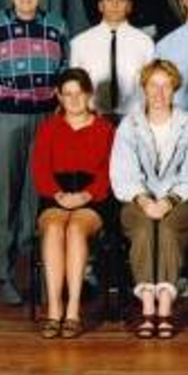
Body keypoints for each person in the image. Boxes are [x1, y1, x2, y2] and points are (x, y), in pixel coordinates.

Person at [0, 0, 69, 306]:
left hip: (46, 119)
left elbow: (66, 73)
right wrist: (1, 107)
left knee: (42, 198)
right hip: (6, 120)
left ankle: (43, 273)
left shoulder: (57, 25)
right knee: (7, 199)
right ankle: (6, 275)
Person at [110, 60, 188, 339]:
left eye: (166, 86)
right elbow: (122, 176)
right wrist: (145, 201)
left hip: (181, 201)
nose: (159, 93)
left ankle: (164, 304)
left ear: (175, 89)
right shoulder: (130, 125)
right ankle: (147, 303)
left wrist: (168, 201)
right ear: (144, 88)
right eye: (153, 85)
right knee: (143, 227)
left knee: (166, 227)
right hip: (137, 200)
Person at [30, 68, 116, 339]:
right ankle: (54, 308)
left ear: (89, 94)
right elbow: (40, 170)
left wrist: (85, 195)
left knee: (76, 228)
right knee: (55, 227)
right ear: (59, 96)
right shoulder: (48, 128)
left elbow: (110, 172)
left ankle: (73, 310)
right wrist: (58, 195)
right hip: (56, 194)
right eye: (67, 94)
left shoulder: (106, 129)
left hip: (93, 197)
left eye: (79, 93)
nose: (74, 100)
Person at [69, 0, 156, 120]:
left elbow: (151, 86)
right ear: (100, 5)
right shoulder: (79, 43)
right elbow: (75, 88)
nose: (115, 4)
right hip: (93, 119)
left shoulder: (145, 43)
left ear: (129, 6)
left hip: (133, 119)